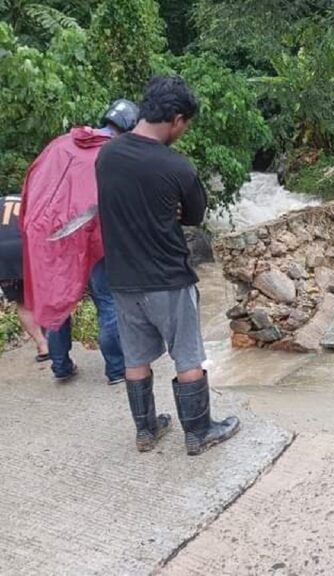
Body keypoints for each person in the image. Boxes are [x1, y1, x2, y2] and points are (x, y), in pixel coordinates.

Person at [96, 76, 240, 455]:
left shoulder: (106, 156)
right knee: (187, 356)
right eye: (185, 124)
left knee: (136, 357)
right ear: (176, 119)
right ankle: (199, 432)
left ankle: (145, 431)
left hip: (123, 278)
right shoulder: (176, 167)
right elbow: (192, 215)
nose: (183, 130)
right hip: (168, 278)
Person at [20, 99, 140, 385]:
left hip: (54, 237)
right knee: (108, 302)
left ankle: (60, 366)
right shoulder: (115, 153)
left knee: (57, 297)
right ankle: (115, 370)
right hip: (97, 240)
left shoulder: (60, 145)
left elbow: (34, 185)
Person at [0, 195, 49, 360]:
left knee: (22, 302)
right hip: (28, 248)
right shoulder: (31, 200)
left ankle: (43, 346)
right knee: (44, 296)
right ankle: (56, 341)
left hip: (3, 254)